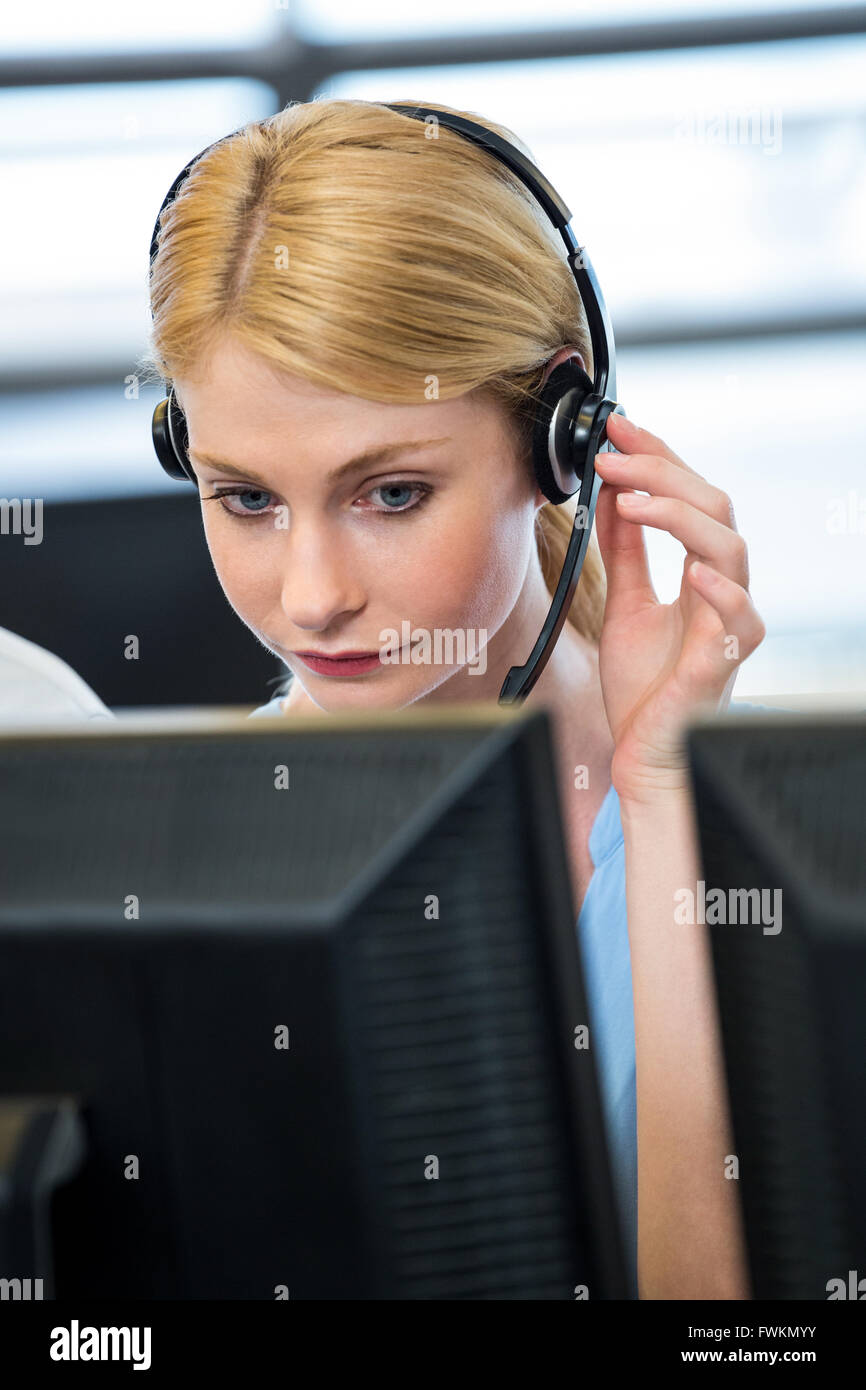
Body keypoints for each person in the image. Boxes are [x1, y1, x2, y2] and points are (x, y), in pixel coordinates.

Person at [143, 96, 770, 1299]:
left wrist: (665, 807)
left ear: (561, 443)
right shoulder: (180, 867)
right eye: (246, 499)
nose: (313, 597)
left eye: (388, 494)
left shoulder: (753, 838)